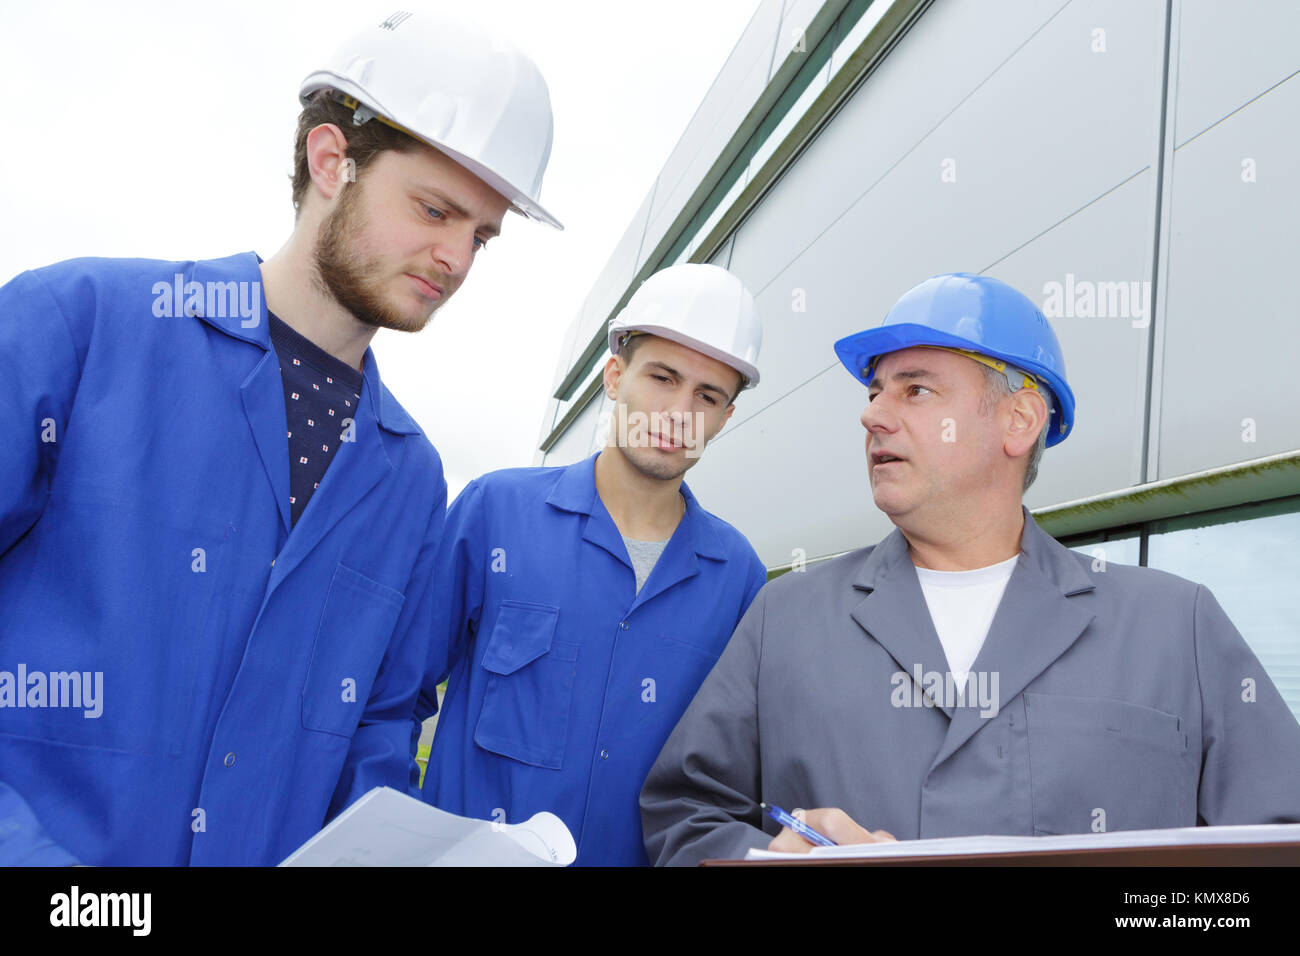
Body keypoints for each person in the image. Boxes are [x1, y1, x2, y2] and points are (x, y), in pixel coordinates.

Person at [0, 10, 560, 866]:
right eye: (435, 210)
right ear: (331, 160)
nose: (456, 259)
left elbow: (377, 727)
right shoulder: (78, 327)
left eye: (480, 236)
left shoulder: (412, 477)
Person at [640, 272, 1300, 865]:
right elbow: (684, 815)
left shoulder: (1175, 625)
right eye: (874, 392)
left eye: (916, 390)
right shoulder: (783, 619)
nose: (872, 415)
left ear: (1019, 420)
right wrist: (769, 860)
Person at [417, 263, 769, 866]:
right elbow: (394, 695)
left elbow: (735, 779)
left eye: (707, 396)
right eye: (662, 377)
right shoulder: (496, 512)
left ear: (725, 417)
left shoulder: (739, 579)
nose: (679, 413)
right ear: (614, 376)